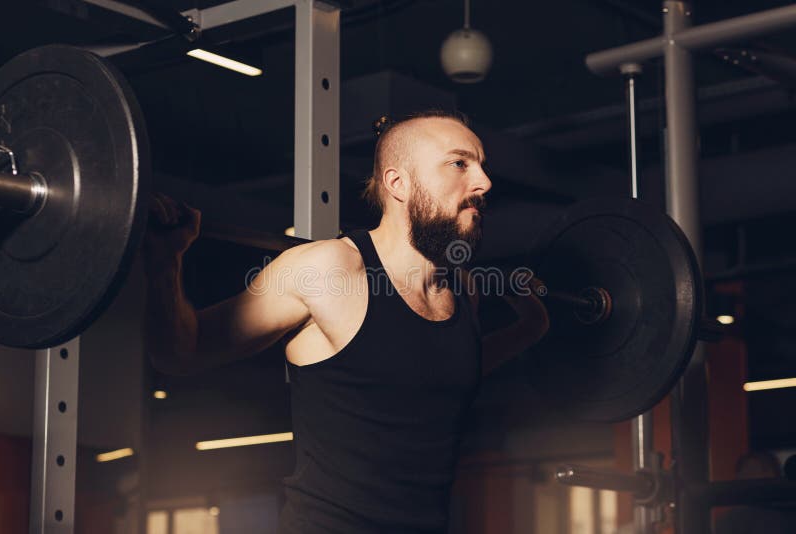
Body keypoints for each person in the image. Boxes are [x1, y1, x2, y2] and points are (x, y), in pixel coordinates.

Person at [143, 110, 549, 533]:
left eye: (481, 165)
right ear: (398, 183)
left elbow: (440, 373)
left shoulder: (462, 289)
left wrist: (529, 328)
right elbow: (180, 353)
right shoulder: (325, 271)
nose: (484, 182)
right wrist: (164, 263)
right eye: (460, 163)